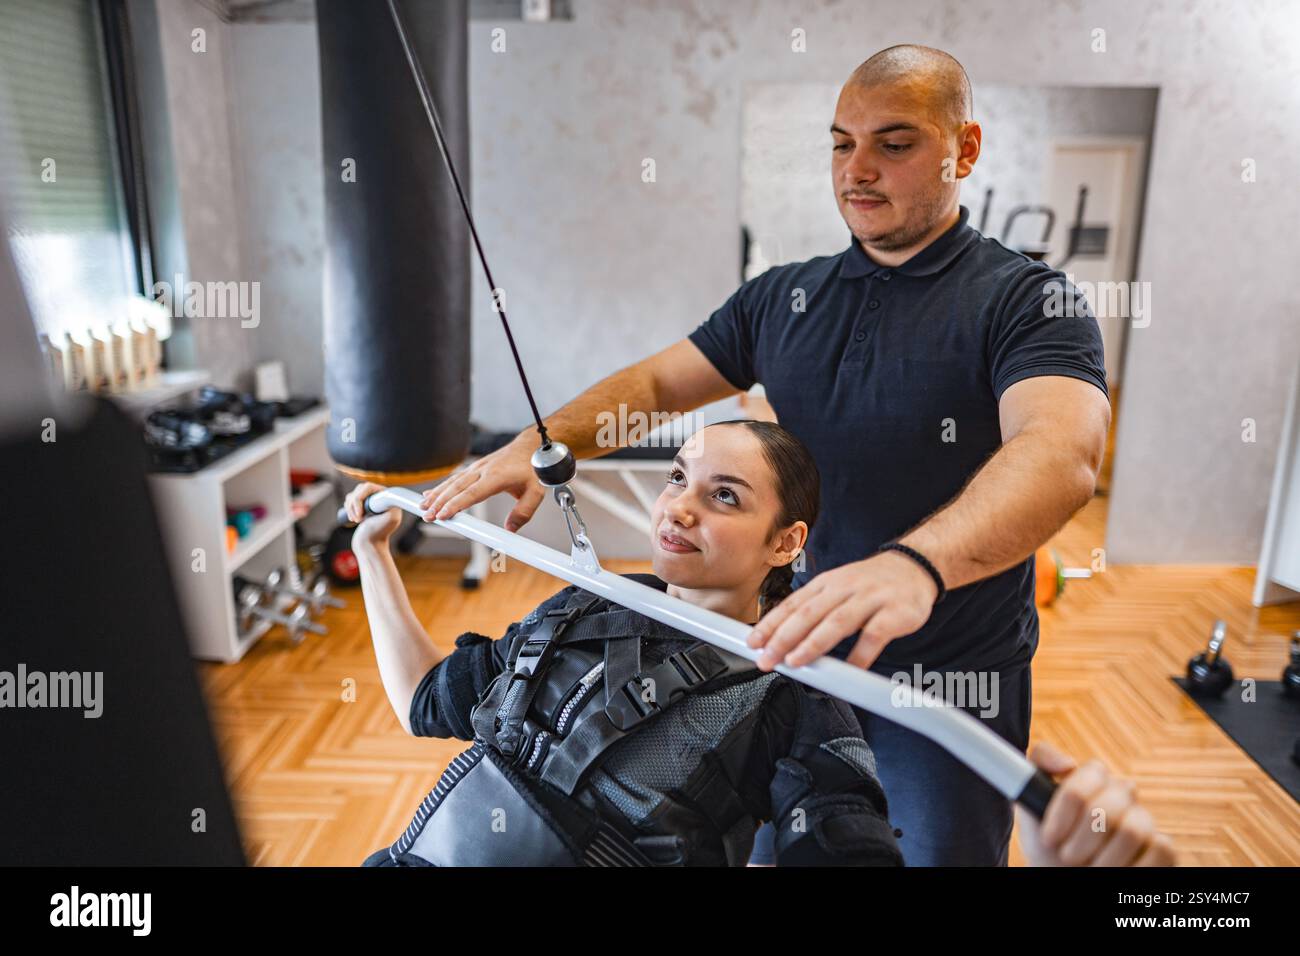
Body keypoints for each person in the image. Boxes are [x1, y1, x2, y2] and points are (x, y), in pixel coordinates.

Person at [416, 44, 1111, 866]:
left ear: (964, 150)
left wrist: (914, 566)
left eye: (894, 144)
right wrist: (539, 443)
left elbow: (1062, 450)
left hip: (947, 682)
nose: (857, 169)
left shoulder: (1030, 300)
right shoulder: (784, 296)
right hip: (790, 659)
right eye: (840, 143)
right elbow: (652, 385)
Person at [347, 420, 1173, 867]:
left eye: (724, 496)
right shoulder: (584, 606)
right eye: (677, 479)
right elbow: (428, 699)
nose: (677, 508)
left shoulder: (797, 700)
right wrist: (373, 553)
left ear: (786, 543)